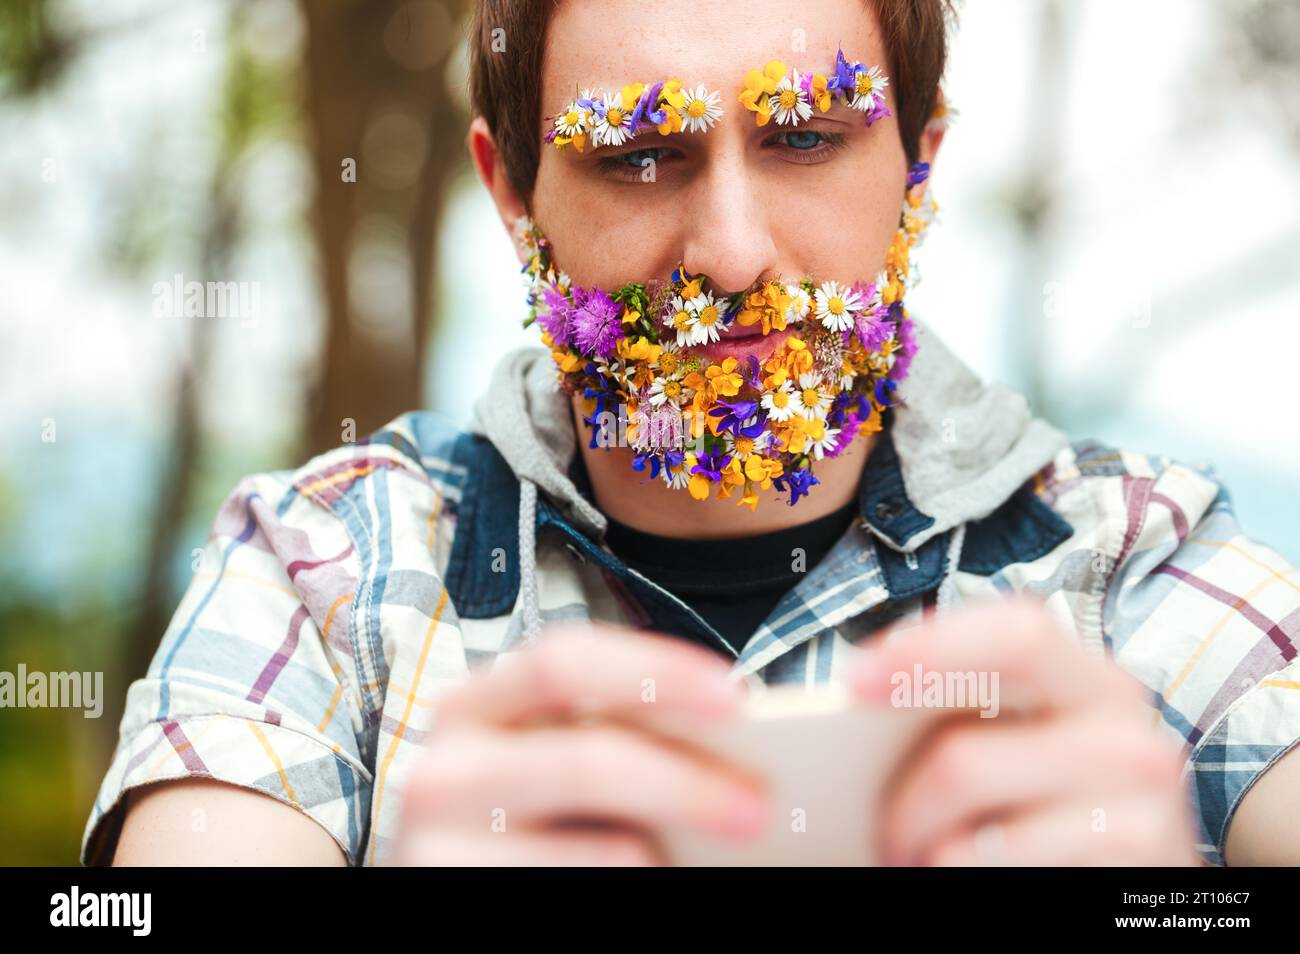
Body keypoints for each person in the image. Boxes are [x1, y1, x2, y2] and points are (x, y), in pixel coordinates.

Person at [85, 0, 1300, 867]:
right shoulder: (327, 572)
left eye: (804, 139)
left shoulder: (1139, 562)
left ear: (916, 165)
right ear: (514, 195)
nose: (728, 252)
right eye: (636, 155)